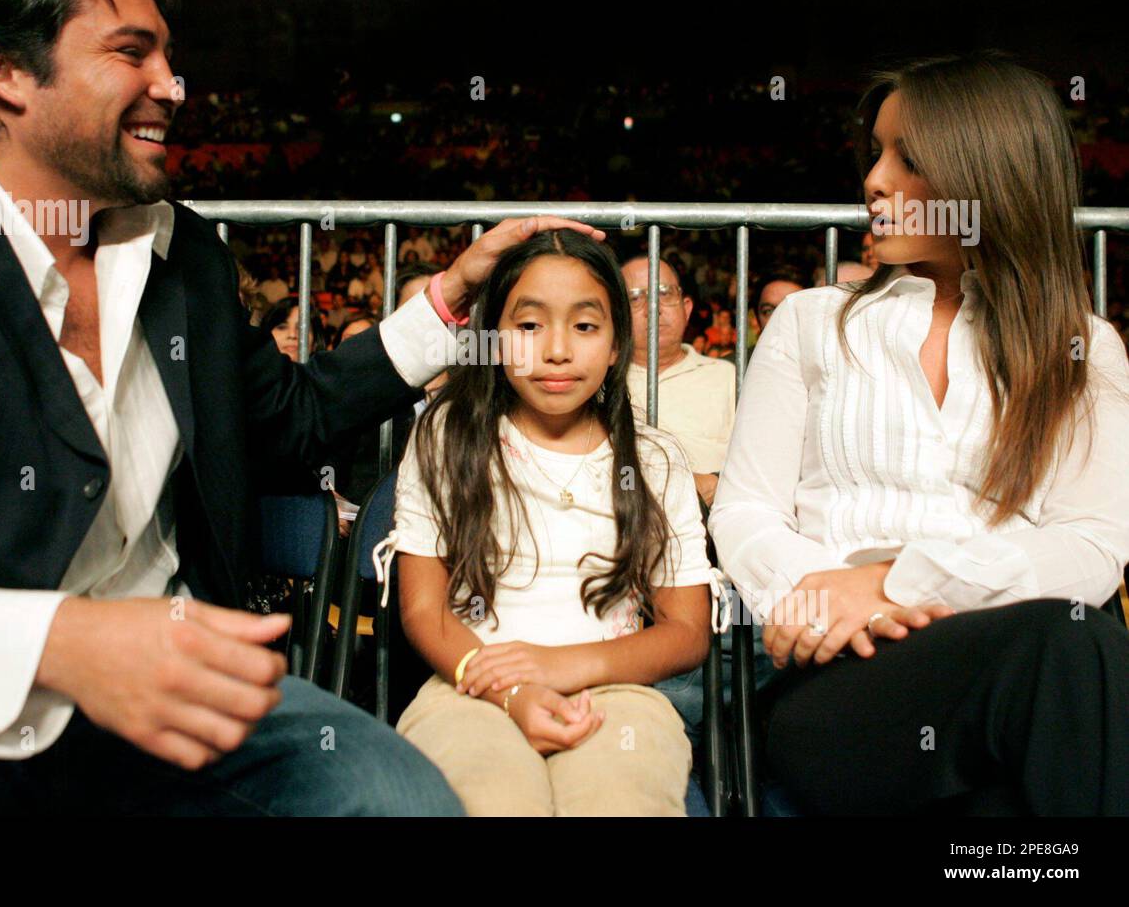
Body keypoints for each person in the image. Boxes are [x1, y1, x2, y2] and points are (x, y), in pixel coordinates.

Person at [0, 0, 605, 817]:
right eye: (131, 52)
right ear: (1, 71)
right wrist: (63, 644)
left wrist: (447, 302)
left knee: (402, 799)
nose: (175, 84)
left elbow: (294, 420)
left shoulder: (184, 259)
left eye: (169, 54)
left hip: (185, 704)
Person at [708, 51, 1129, 816]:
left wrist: (899, 581)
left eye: (908, 157)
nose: (874, 179)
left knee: (1022, 761)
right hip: (839, 677)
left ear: (988, 174)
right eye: (875, 153)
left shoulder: (1083, 344)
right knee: (1071, 659)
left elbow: (1093, 547)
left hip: (1012, 670)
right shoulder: (810, 322)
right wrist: (827, 599)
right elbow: (744, 512)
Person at [384, 229, 717, 816]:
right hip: (467, 684)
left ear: (618, 344)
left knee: (619, 802)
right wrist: (510, 689)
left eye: (586, 326)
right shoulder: (447, 435)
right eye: (530, 326)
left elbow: (686, 631)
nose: (557, 350)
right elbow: (423, 609)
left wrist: (559, 665)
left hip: (618, 694)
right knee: (488, 799)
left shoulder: (655, 459)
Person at [620, 255, 734, 509]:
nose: (653, 307)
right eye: (636, 297)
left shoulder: (727, 376)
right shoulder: (601, 381)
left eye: (664, 293)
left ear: (687, 308)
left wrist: (717, 483)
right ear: (616, 314)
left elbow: (760, 461)